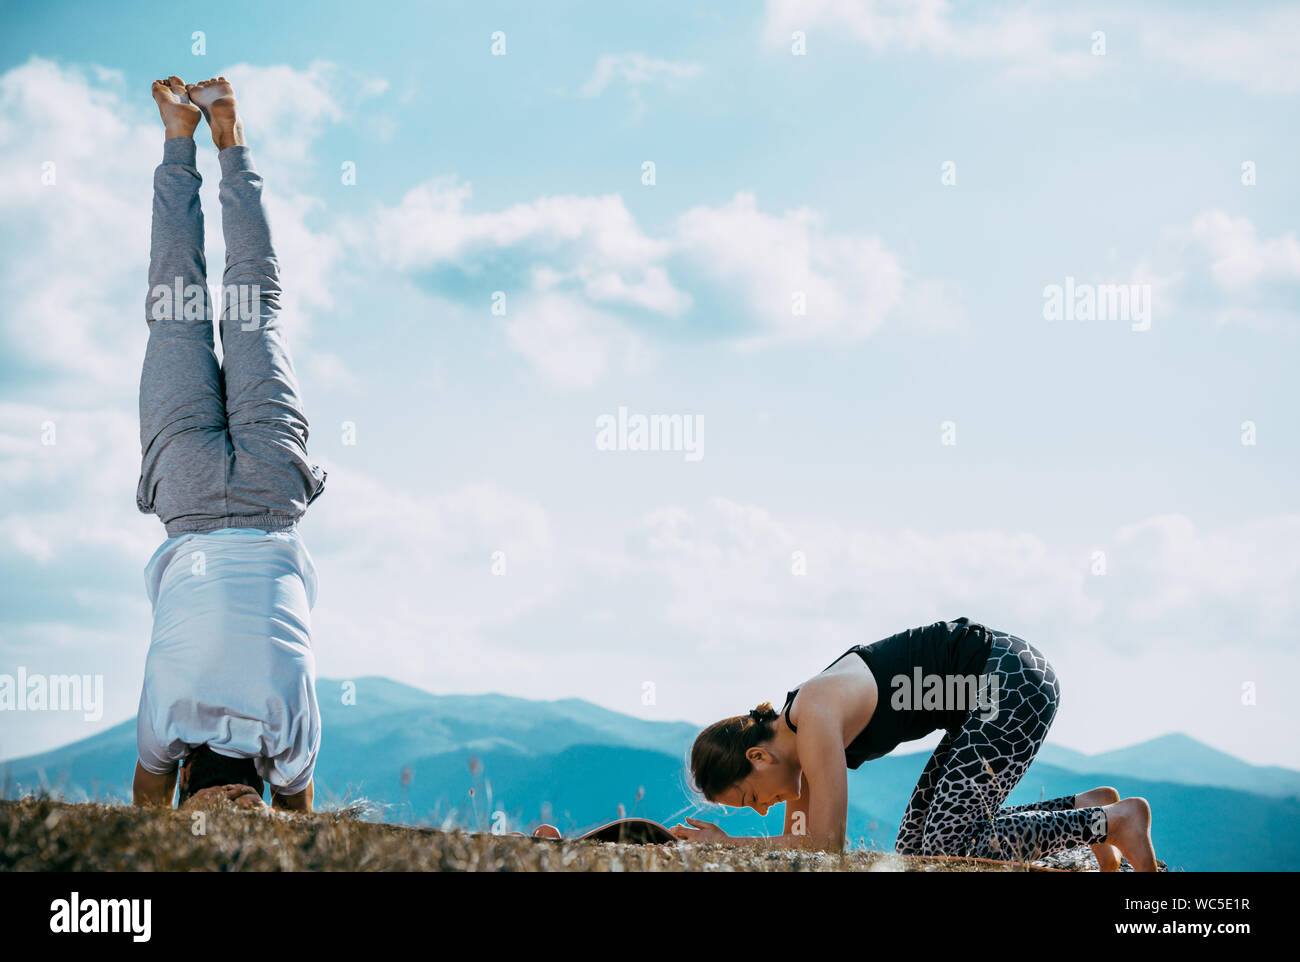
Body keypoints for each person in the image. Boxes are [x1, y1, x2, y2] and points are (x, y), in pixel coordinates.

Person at [130, 76, 326, 813]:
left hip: (271, 497)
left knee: (255, 300)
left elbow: (304, 827)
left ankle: (228, 135)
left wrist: (270, 804)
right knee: (172, 301)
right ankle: (179, 134)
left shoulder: (292, 736)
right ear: (187, 778)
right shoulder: (165, 727)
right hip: (185, 494)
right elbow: (144, 818)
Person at [673, 618, 1158, 871]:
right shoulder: (799, 748)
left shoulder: (814, 715)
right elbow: (806, 850)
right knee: (916, 855)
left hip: (1009, 681)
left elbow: (827, 847)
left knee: (946, 845)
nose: (762, 811)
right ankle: (1084, 808)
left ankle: (1115, 823)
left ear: (758, 756)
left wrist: (730, 844)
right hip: (979, 699)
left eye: (753, 798)